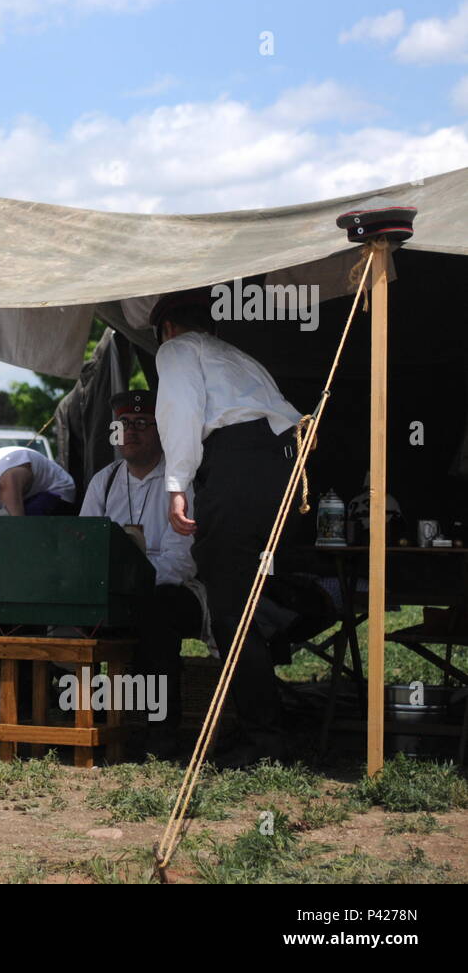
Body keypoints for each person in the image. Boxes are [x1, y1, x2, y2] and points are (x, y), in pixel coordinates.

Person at [153, 287, 304, 767]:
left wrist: (176, 484)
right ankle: (263, 724)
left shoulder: (178, 349)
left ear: (169, 329)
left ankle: (264, 741)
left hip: (239, 465)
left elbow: (179, 412)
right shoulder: (239, 359)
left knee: (230, 608)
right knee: (251, 597)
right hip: (284, 465)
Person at [79, 389, 206, 758]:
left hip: (173, 589)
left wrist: (134, 588)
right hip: (113, 592)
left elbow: (181, 560)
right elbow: (86, 546)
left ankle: (161, 735)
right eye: (123, 425)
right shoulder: (104, 481)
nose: (130, 432)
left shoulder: (181, 482)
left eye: (142, 424)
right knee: (67, 617)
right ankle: (92, 720)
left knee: (158, 613)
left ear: (162, 430)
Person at [0, 445, 76, 515]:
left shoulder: (7, 481)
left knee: (10, 522)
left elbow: (15, 525)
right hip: (31, 494)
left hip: (60, 493)